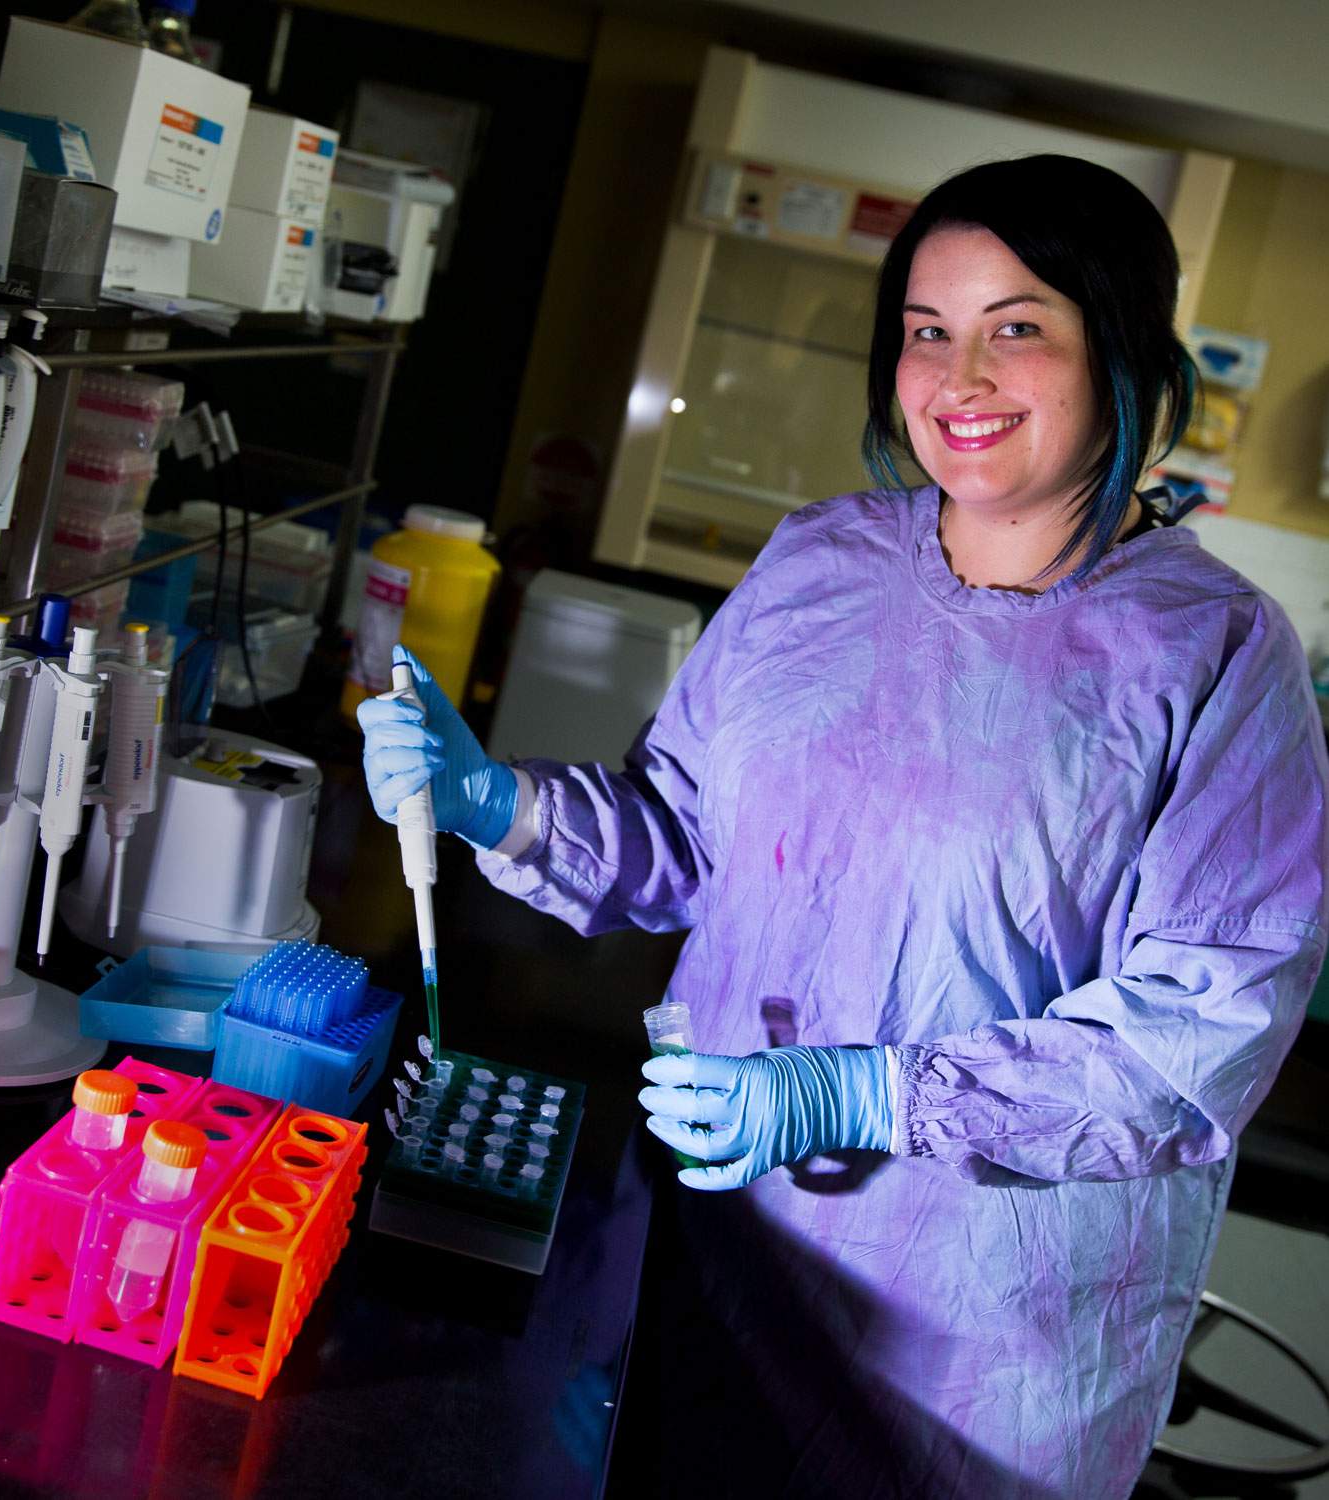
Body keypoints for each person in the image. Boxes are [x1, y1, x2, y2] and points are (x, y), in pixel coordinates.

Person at [358, 154, 1328, 1498]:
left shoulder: (1217, 656)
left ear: (1120, 351)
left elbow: (1193, 1041)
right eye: (926, 331)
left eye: (1016, 329)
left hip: (974, 1363)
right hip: (719, 1262)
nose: (958, 378)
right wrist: (495, 801)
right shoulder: (820, 562)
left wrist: (866, 1093)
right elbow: (686, 837)